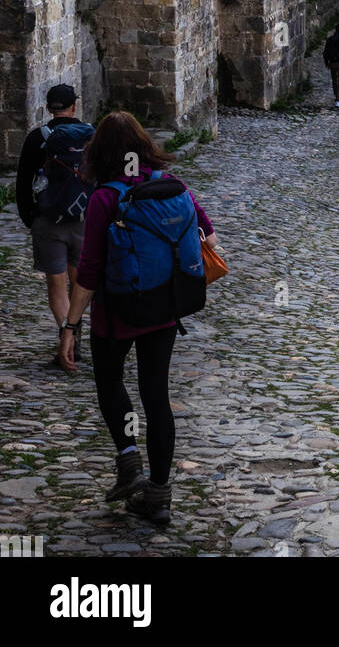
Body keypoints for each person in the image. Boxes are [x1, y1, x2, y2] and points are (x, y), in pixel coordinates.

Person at [58, 112, 218, 527]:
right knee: (156, 396)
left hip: (117, 314)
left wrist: (70, 326)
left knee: (111, 382)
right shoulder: (174, 188)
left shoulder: (105, 198)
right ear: (144, 146)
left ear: (100, 154)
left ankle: (129, 460)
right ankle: (159, 497)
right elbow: (210, 239)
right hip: (163, 310)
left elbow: (90, 270)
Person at [16, 84, 94, 367]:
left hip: (49, 220)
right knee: (80, 284)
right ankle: (76, 341)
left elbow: (23, 183)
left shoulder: (38, 137)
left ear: (49, 108)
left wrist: (31, 218)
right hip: (85, 220)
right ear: (75, 105)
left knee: (56, 285)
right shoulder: (92, 135)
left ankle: (66, 340)